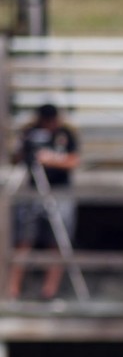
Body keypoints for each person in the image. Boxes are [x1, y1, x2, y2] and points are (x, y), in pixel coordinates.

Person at [6, 104, 80, 301]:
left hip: (59, 192)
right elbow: (16, 159)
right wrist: (25, 151)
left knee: (56, 242)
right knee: (23, 239)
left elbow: (74, 161)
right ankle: (11, 290)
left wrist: (49, 159)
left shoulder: (66, 133)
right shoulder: (29, 132)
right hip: (33, 192)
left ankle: (49, 292)